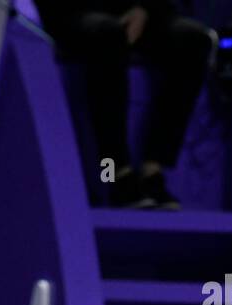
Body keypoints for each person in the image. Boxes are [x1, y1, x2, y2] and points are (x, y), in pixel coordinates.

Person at [35, 0, 214, 209]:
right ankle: (117, 174)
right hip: (73, 12)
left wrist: (144, 9)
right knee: (107, 34)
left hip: (133, 10)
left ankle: (153, 170)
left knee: (194, 39)